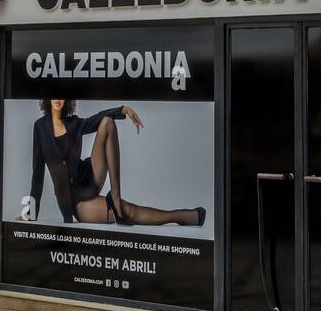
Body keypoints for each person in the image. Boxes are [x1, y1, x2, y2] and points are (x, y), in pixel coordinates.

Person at [24, 98, 205, 228]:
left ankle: (115, 195)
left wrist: (124, 109)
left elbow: (98, 118)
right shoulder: (39, 127)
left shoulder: (74, 123)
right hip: (75, 201)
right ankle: (184, 216)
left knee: (107, 122)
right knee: (128, 211)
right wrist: (30, 216)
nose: (58, 99)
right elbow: (37, 175)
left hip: (88, 178)